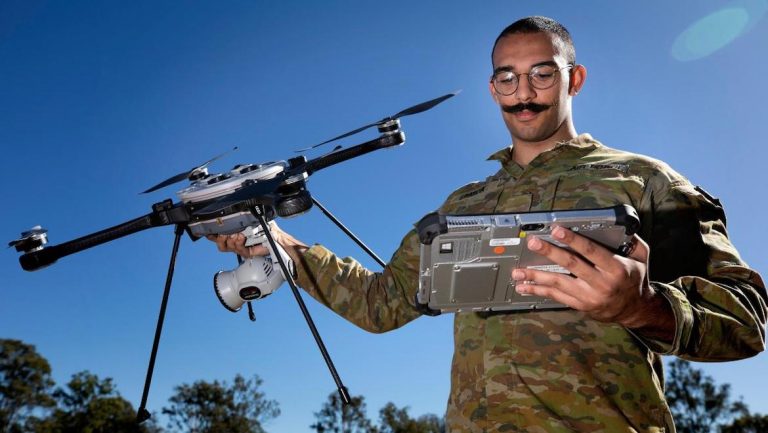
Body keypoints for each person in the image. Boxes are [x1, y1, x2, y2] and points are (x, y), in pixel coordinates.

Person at [210, 16, 767, 433]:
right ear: (493, 88)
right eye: (507, 78)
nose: (523, 92)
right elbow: (381, 303)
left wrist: (640, 307)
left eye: (541, 74)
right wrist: (281, 244)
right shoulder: (463, 204)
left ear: (575, 79)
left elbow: (749, 320)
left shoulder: (644, 181)